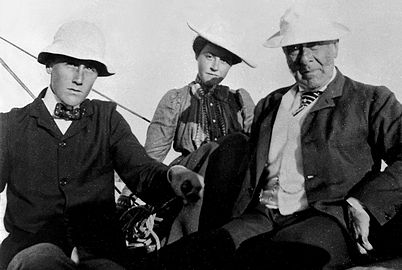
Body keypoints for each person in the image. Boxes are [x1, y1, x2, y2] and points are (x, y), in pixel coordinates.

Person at [155, 5, 402, 270]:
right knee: (186, 256)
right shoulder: (269, 104)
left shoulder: (371, 100)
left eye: (315, 45)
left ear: (335, 46)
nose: (304, 59)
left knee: (276, 258)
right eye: (294, 48)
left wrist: (362, 203)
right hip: (260, 215)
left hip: (329, 217)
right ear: (284, 53)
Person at [0, 20, 204, 270]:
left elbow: (141, 171)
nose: (79, 78)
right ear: (49, 64)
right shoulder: (10, 125)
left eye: (90, 68)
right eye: (71, 64)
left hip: (100, 253)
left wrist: (174, 175)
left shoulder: (108, 120)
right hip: (29, 253)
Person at [117, 20, 255, 244]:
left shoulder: (239, 99)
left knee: (236, 144)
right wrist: (126, 195)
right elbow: (152, 156)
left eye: (224, 60)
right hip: (189, 174)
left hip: (229, 179)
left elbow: (256, 135)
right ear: (197, 56)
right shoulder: (176, 98)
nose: (215, 66)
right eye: (209, 56)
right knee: (211, 151)